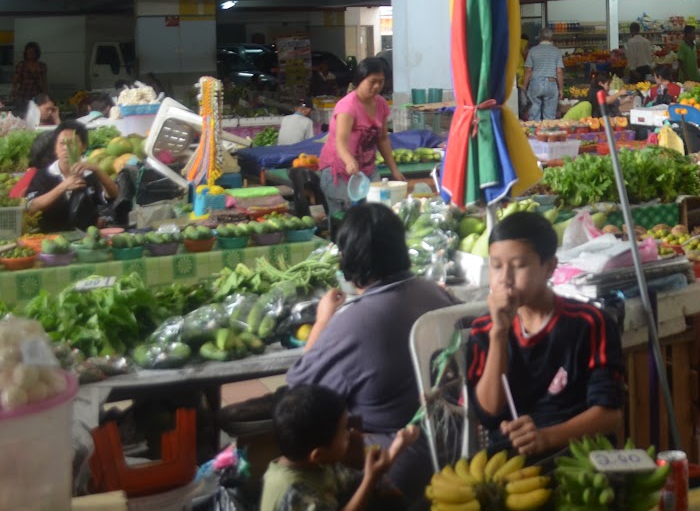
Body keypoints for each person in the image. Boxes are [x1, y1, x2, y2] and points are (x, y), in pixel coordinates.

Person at [287, 204, 453, 499]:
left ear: (349, 258)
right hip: (454, 445)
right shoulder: (436, 292)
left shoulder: (351, 323)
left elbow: (300, 394)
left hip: (391, 464)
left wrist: (323, 320)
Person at [468, 212, 622, 457]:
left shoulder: (589, 323)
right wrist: (499, 332)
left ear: (549, 267)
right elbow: (489, 413)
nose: (505, 279)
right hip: (510, 459)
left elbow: (608, 414)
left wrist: (546, 437)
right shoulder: (484, 330)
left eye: (519, 266)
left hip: (579, 455)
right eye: (496, 266)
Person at [262, 383, 415, 511]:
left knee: (387, 498)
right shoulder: (294, 495)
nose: (350, 433)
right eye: (344, 431)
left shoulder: (316, 463)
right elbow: (367, 480)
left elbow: (359, 480)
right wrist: (371, 477)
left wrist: (396, 448)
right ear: (318, 454)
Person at [321, 59, 404, 192]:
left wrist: (394, 170)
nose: (377, 86)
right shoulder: (347, 107)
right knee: (347, 212)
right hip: (339, 171)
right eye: (372, 81)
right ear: (360, 79)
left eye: (381, 82)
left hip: (367, 170)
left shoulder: (381, 103)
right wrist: (349, 161)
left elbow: (382, 139)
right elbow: (340, 142)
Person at [24, 122, 118, 233]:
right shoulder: (42, 175)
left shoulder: (91, 174)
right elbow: (32, 207)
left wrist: (97, 170)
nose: (66, 149)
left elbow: (112, 195)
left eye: (71, 143)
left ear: (83, 147)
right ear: (55, 147)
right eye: (62, 144)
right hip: (51, 239)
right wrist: (63, 187)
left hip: (87, 239)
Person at [523, 30, 565, 122]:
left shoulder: (532, 50)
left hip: (535, 83)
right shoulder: (556, 51)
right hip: (551, 82)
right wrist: (561, 89)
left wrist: (524, 88)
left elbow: (528, 70)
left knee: (533, 116)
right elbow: (559, 71)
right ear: (551, 37)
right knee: (550, 117)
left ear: (539, 37)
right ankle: (548, 133)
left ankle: (534, 134)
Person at [10, 41, 49, 109]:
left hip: (37, 95)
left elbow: (44, 81)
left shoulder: (42, 66)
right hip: (23, 95)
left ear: (37, 53)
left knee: (36, 115)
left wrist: (45, 95)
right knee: (22, 115)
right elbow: (15, 81)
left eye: (32, 53)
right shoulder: (21, 65)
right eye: (29, 52)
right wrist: (14, 91)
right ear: (26, 53)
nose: (30, 54)